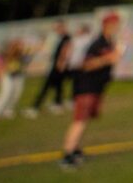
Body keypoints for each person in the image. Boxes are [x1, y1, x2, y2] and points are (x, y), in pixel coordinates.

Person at [58, 11, 121, 170]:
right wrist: (108, 59)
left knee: (84, 120)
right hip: (86, 87)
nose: (118, 27)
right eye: (115, 24)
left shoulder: (109, 42)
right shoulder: (98, 43)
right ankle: (67, 155)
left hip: (96, 87)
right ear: (108, 25)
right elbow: (86, 64)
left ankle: (76, 150)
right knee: (79, 120)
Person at [29, 20, 72, 115]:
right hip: (56, 65)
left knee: (47, 86)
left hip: (58, 66)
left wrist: (61, 62)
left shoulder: (66, 38)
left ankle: (35, 107)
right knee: (58, 86)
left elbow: (66, 52)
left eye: (58, 28)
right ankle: (57, 104)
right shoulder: (59, 38)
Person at [0, 36, 29, 121]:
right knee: (6, 93)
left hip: (18, 76)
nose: (22, 46)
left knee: (16, 94)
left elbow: (24, 64)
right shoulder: (7, 53)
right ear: (14, 46)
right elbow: (2, 60)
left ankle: (8, 110)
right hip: (7, 76)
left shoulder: (23, 54)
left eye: (21, 45)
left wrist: (24, 58)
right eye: (19, 45)